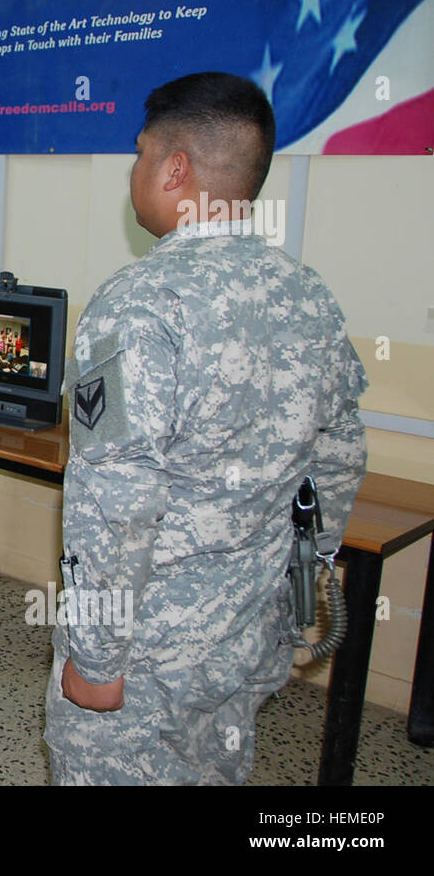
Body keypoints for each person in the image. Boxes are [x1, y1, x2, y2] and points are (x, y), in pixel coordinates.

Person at [44, 72, 368, 785]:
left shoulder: (137, 304)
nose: (134, 172)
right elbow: (338, 462)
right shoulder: (308, 293)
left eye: (138, 154)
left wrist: (96, 660)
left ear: (175, 169)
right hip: (245, 638)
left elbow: (115, 500)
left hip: (145, 656)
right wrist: (295, 599)